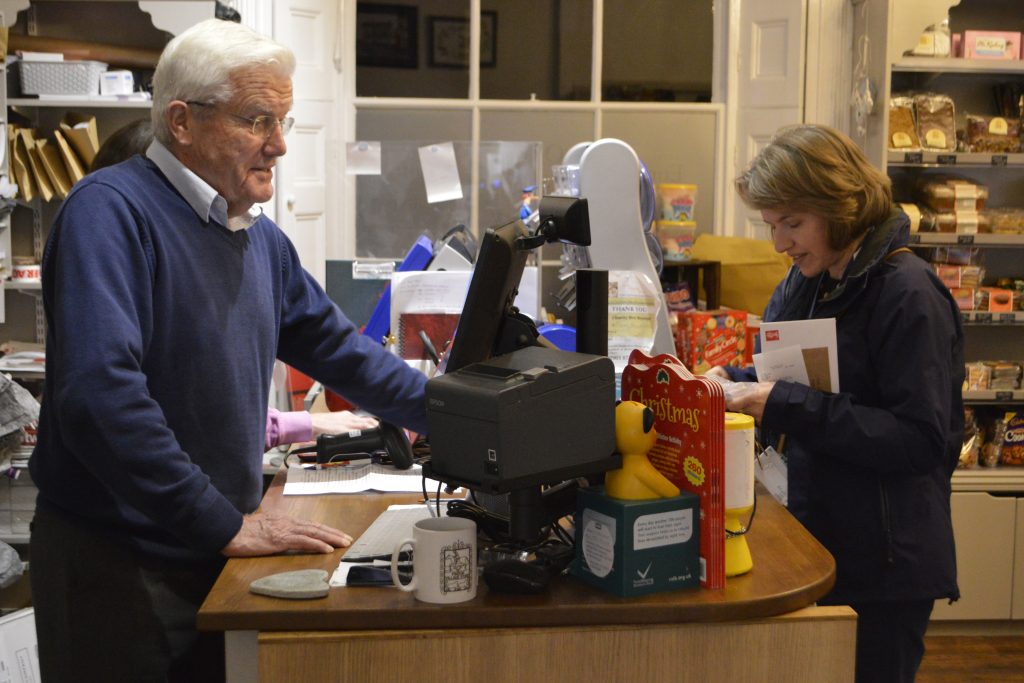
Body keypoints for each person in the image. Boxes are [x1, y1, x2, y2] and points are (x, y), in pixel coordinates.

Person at [29, 18, 428, 683]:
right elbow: (100, 398)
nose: (277, 145)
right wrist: (219, 521)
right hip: (119, 563)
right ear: (181, 122)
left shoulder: (258, 240)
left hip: (206, 548)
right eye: (257, 120)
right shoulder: (109, 212)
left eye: (283, 122)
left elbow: (342, 353)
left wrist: (462, 414)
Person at [711, 124, 963, 683]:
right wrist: (729, 379)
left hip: (886, 565)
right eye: (772, 226)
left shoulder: (908, 294)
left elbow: (920, 440)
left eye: (793, 224)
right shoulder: (809, 279)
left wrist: (777, 401)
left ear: (840, 205)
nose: (780, 244)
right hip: (822, 540)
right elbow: (793, 376)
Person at [90, 120, 382, 449]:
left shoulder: (258, 241)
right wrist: (301, 425)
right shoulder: (110, 241)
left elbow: (329, 345)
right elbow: (171, 416)